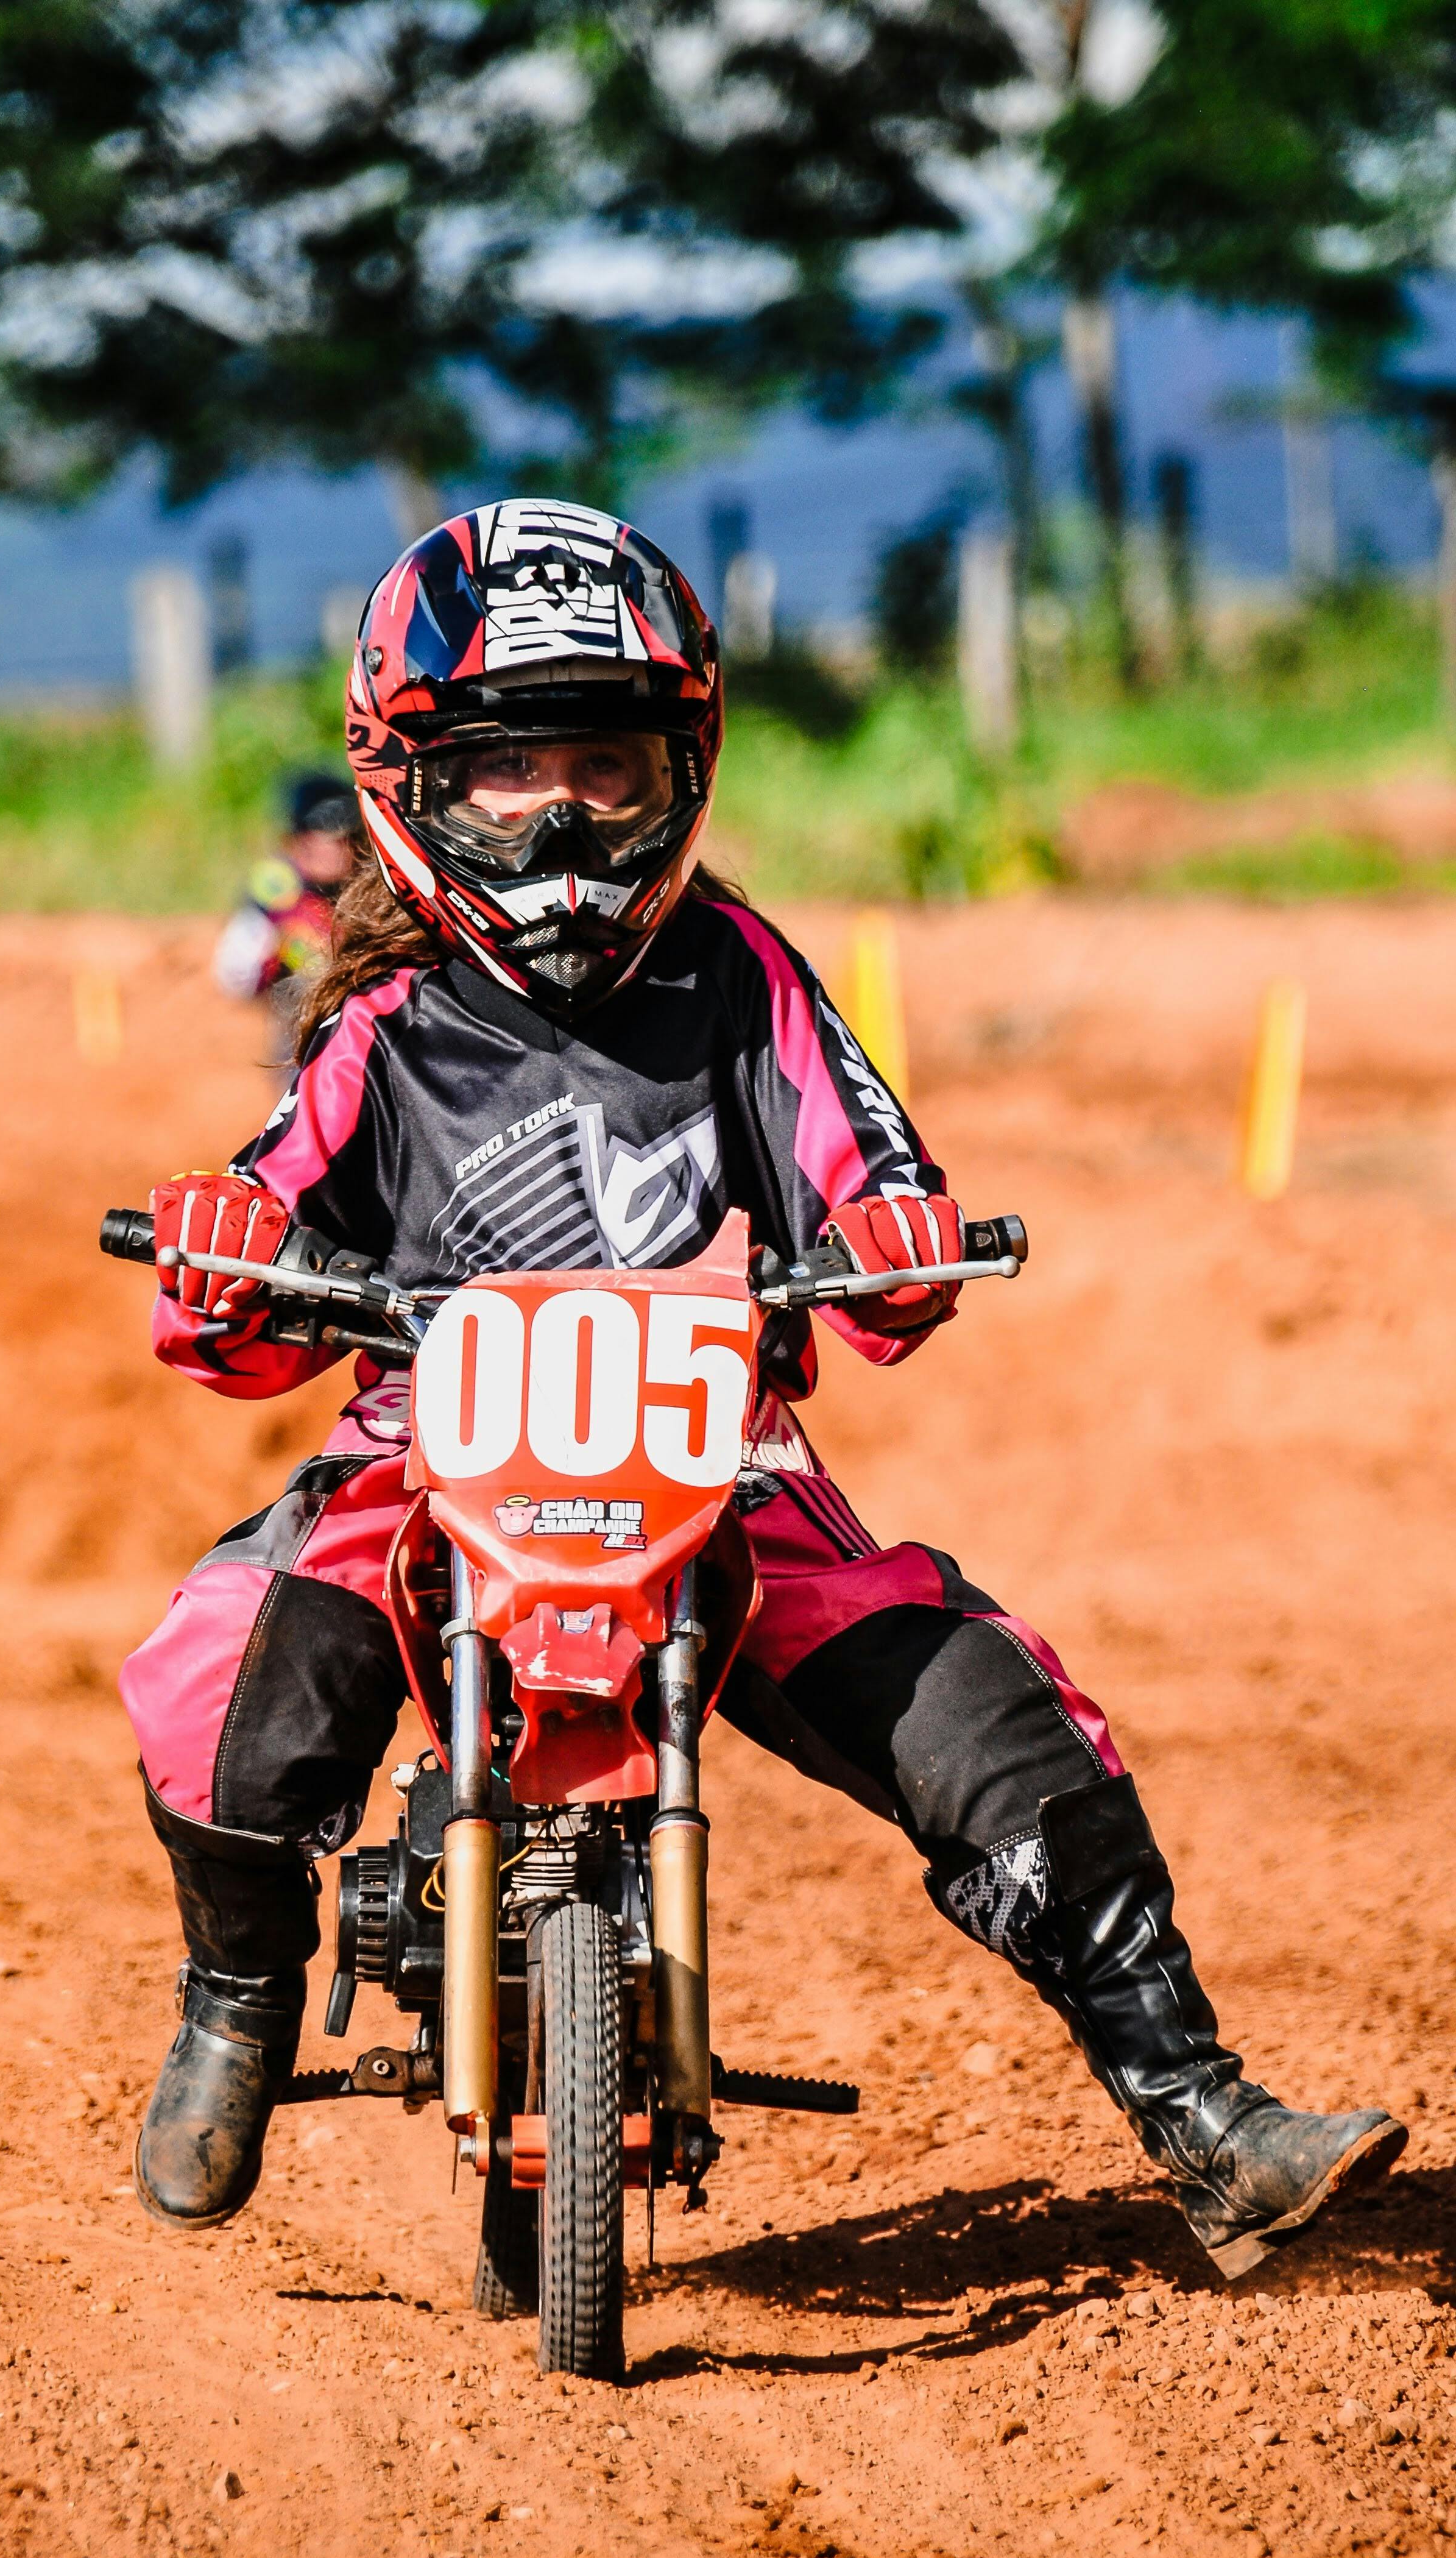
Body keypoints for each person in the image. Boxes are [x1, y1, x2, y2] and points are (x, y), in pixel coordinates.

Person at [120, 495, 1404, 2276]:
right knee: (219, 1663)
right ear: (403, 780)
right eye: (509, 772)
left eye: (605, 764)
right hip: (427, 1451)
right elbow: (238, 1294)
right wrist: (222, 1253)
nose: (561, 811)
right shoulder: (378, 1028)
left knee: (995, 1714)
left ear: (684, 770)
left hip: (719, 1461)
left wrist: (896, 1235)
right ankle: (237, 2005)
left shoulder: (743, 978)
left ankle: (1204, 2115)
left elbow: (869, 1182)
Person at [211, 770, 358, 1005]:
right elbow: (234, 975)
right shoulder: (275, 892)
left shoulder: (369, 891)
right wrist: (276, 945)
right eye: (329, 835)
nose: (340, 847)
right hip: (301, 1030)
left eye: (349, 835)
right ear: (296, 839)